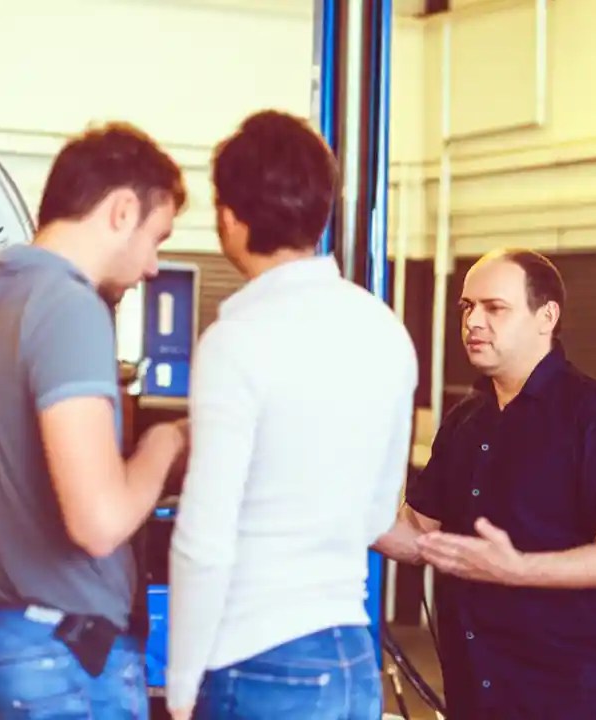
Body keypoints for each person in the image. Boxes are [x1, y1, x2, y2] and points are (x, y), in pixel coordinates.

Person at [164, 110, 418, 720]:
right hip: (354, 660)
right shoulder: (385, 329)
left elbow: (205, 538)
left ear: (229, 217)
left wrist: (179, 685)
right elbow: (378, 513)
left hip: (258, 662)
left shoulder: (237, 340)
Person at [0, 122, 191, 720]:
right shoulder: (69, 305)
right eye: (158, 238)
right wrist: (165, 441)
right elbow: (99, 523)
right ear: (122, 210)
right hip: (56, 659)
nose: (154, 266)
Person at [374, 249, 596, 720]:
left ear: (546, 316)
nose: (473, 322)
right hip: (474, 692)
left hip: (567, 698)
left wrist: (517, 568)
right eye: (466, 307)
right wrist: (339, 507)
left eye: (494, 308)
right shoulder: (465, 422)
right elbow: (419, 535)